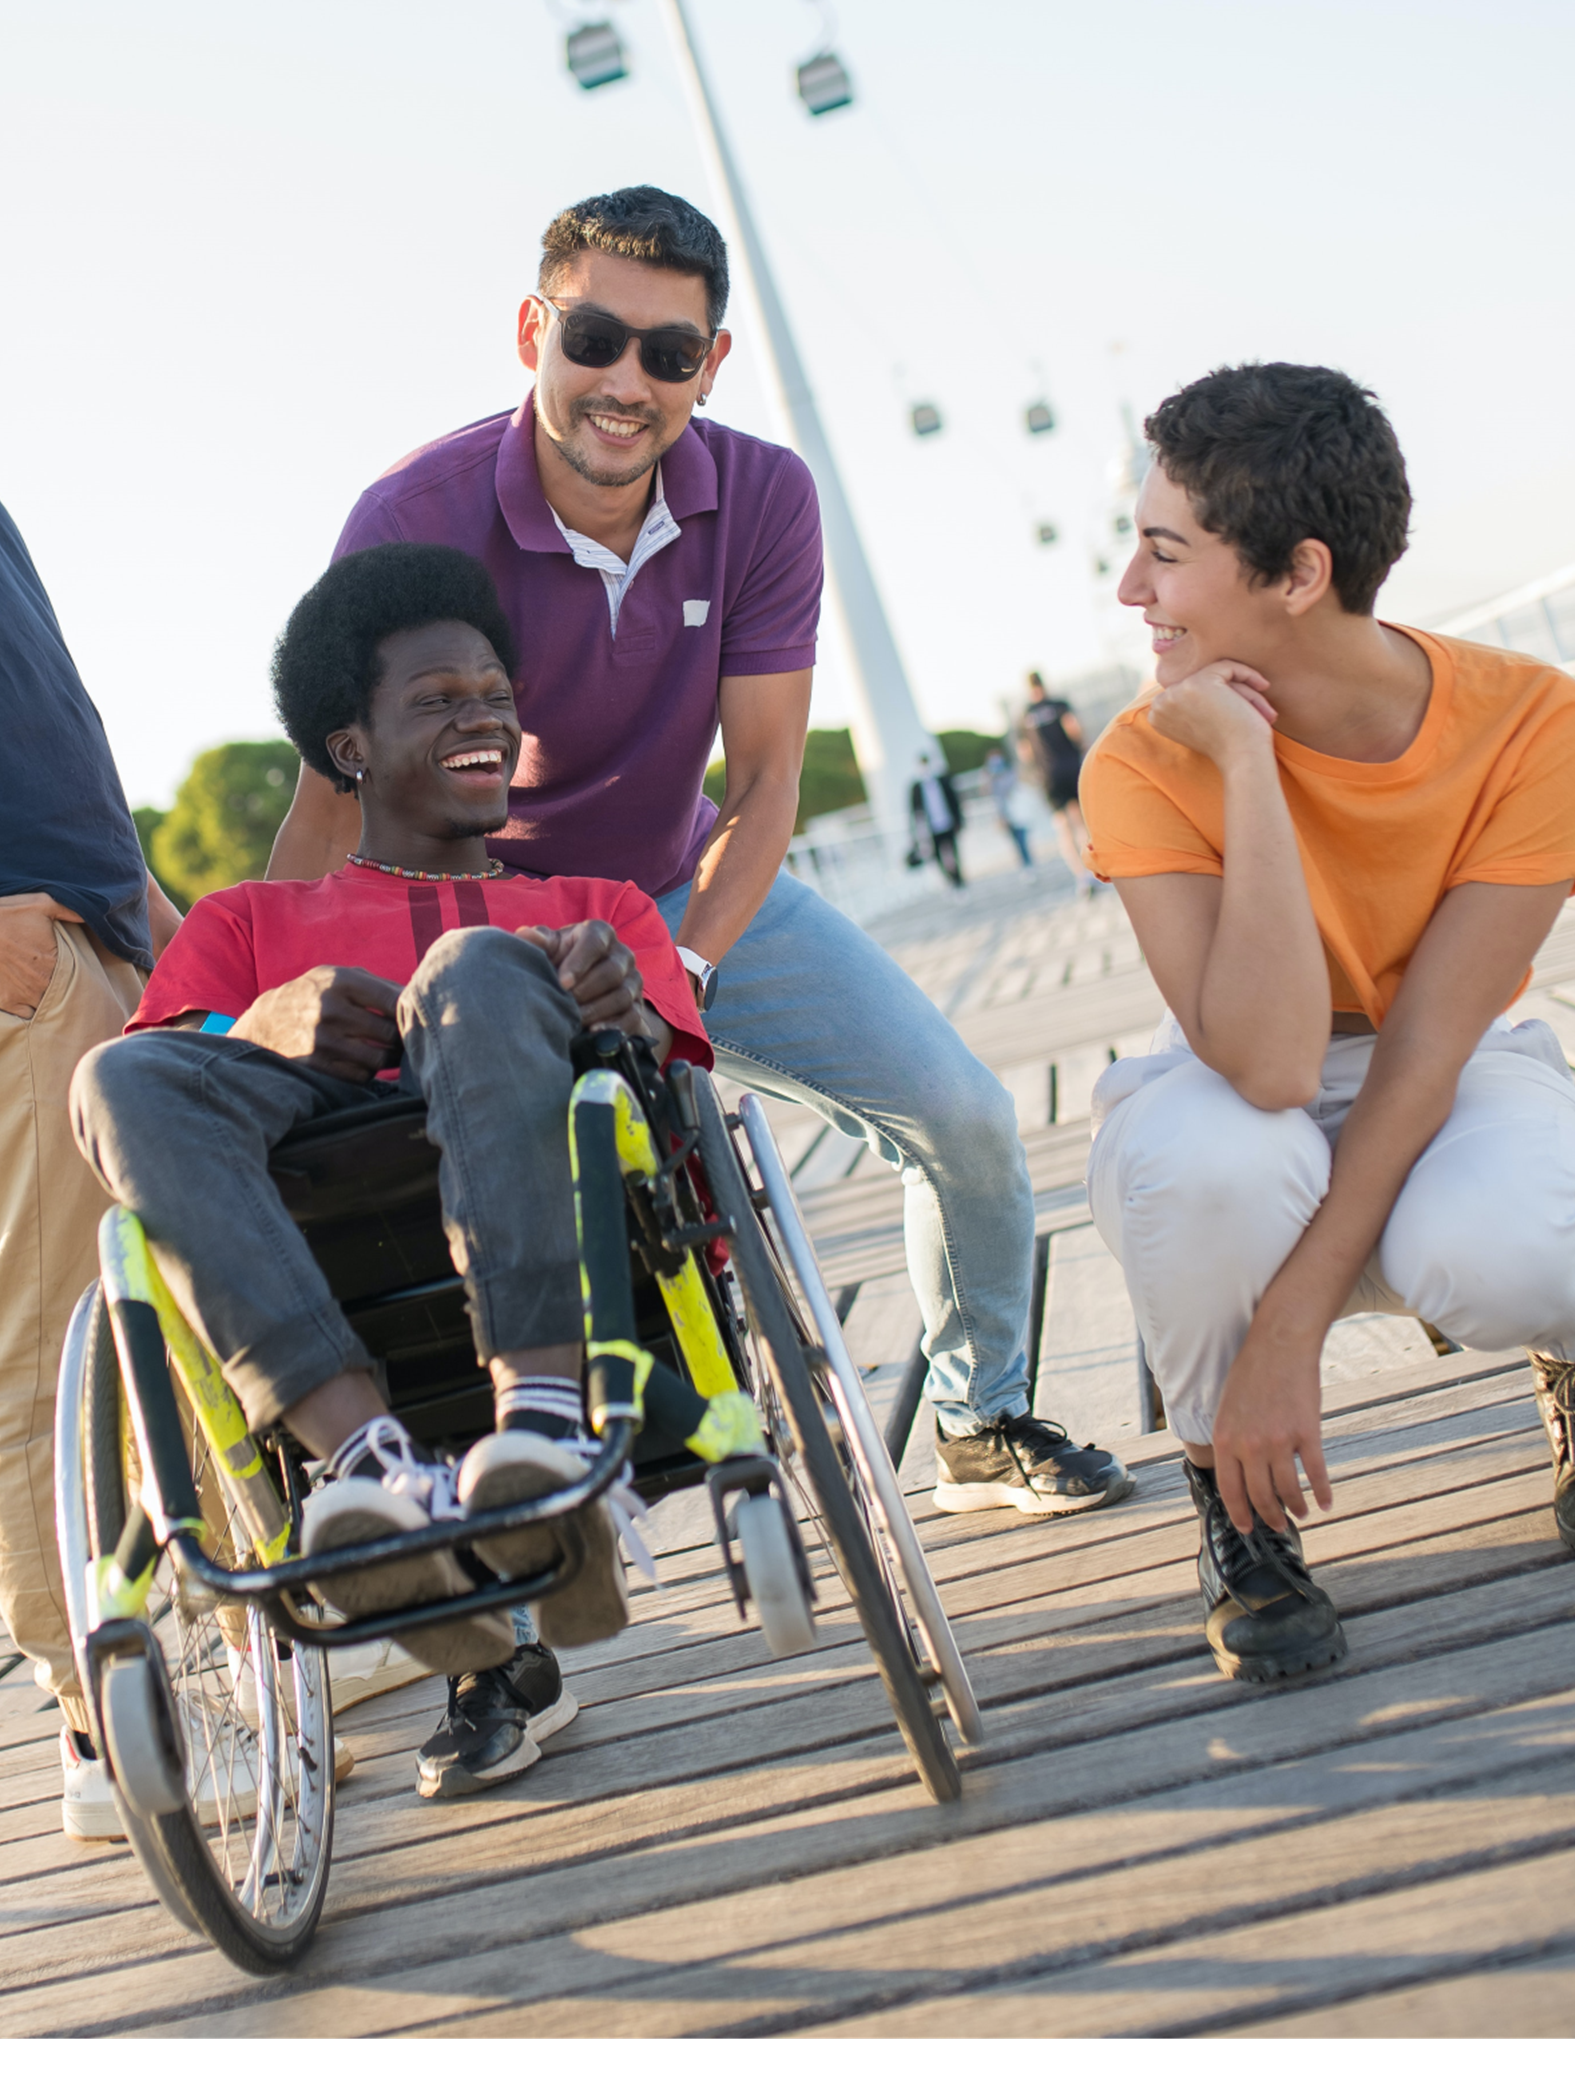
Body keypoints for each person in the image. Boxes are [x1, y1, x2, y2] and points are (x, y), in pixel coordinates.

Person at [264, 182, 1134, 1769]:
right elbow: (333, 803)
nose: (625, 382)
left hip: (678, 891)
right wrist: (260, 994)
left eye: (666, 353)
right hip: (471, 936)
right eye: (592, 338)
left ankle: (975, 1410)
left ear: (711, 364)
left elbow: (767, 788)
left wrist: (684, 966)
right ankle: (500, 1636)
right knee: (428, 1228)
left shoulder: (764, 500)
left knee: (960, 1111)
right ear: (534, 331)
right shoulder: (415, 513)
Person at [70, 543, 713, 1795]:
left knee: (475, 973)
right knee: (117, 1075)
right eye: (436, 699)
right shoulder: (245, 930)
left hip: (585, 1290)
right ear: (348, 746)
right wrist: (262, 1023)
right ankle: (374, 1475)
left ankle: (538, 1437)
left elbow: (672, 1085)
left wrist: (617, 1008)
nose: (483, 713)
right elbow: (162, 1090)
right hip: (335, 1287)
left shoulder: (597, 906)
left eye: (493, 693)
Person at [1080, 361, 1575, 1687]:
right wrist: (1243, 766)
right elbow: (1270, 1060)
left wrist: (1289, 1327)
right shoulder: (1138, 759)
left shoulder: (1530, 721)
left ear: (1295, 574)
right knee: (1199, 1161)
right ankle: (1229, 1503)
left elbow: (1418, 1053)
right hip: (1249, 1067)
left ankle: (1564, 1365)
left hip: (1452, 1060)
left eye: (1161, 553)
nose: (1129, 590)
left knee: (1512, 1245)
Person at [0, 500, 186, 1841]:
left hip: (91, 923)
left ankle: (220, 1651)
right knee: (47, 1350)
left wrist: (140, 899)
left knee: (170, 1312)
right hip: (19, 955)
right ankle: (98, 1709)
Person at [1020, 671, 1096, 894]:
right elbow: (1074, 728)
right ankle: (1093, 871)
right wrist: (1082, 747)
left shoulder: (1024, 714)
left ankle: (1080, 878)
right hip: (1071, 767)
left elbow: (1024, 752)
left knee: (1062, 828)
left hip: (1048, 775)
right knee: (1081, 823)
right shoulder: (1059, 705)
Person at [909, 750, 965, 890]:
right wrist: (915, 834)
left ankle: (959, 881)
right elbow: (914, 811)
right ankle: (951, 882)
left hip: (947, 823)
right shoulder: (916, 787)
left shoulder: (943, 780)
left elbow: (954, 801)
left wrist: (959, 821)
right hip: (931, 829)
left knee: (954, 854)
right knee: (938, 857)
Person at [984, 748, 1034, 869]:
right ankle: (1025, 863)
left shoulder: (1011, 773)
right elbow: (990, 796)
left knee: (1022, 839)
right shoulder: (991, 778)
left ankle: (1028, 863)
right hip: (1005, 814)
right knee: (1016, 842)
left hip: (1017, 811)